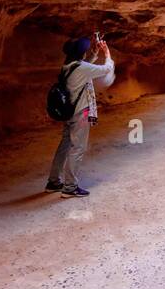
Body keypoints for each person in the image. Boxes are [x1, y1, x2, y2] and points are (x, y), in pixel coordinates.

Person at [46, 34, 115, 197]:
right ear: (80, 53)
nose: (86, 52)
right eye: (85, 50)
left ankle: (53, 182)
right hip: (80, 113)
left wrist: (94, 52)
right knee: (78, 148)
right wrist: (107, 54)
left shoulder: (68, 65)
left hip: (69, 112)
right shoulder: (82, 68)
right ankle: (70, 187)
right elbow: (106, 69)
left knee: (64, 147)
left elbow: (83, 66)